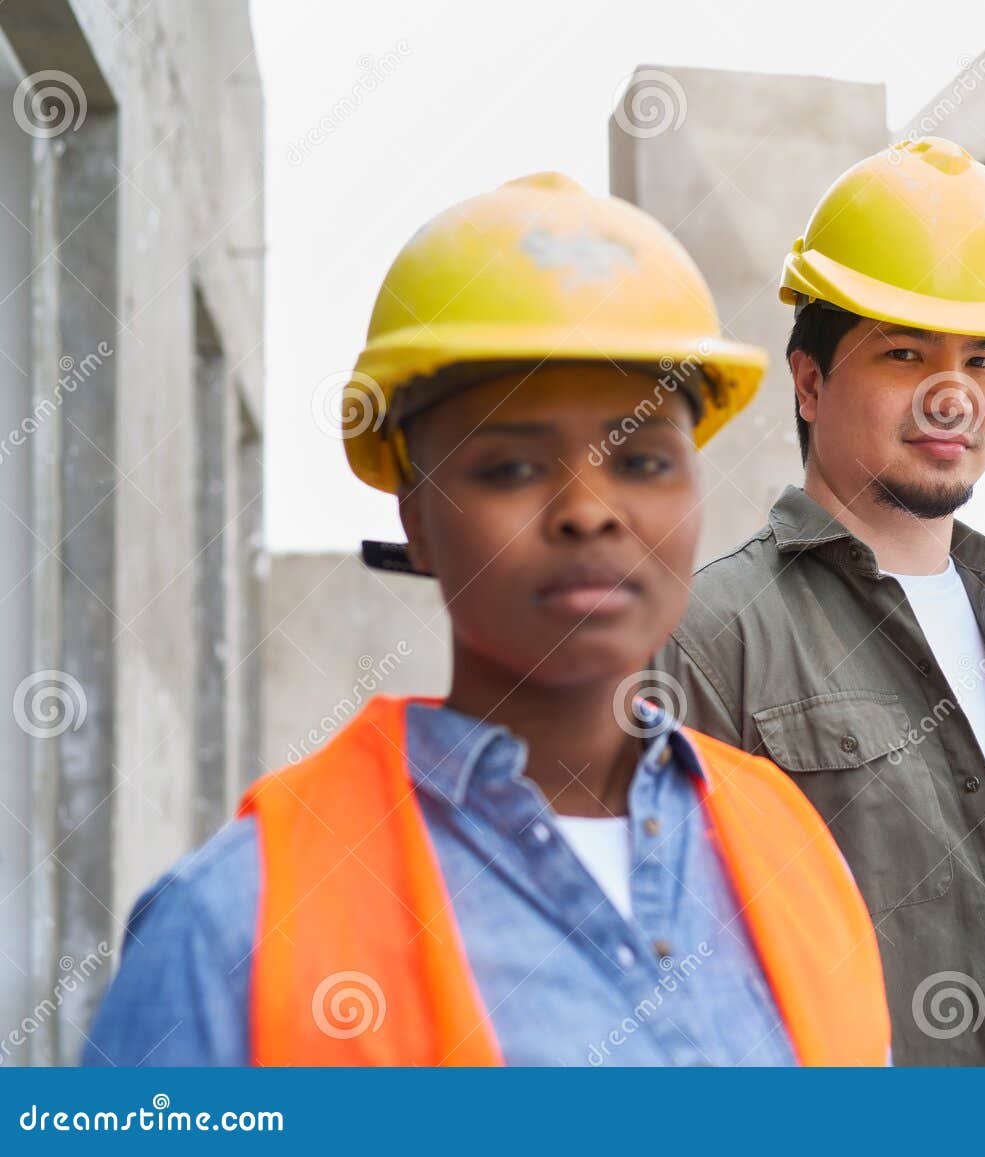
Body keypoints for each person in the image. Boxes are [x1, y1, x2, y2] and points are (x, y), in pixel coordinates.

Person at [84, 173, 889, 1067]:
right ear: (415, 519)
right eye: (509, 467)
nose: (590, 511)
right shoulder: (231, 927)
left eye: (645, 460)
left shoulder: (794, 851)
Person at [655, 137, 985, 1067]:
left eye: (984, 360)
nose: (952, 395)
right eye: (903, 352)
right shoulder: (706, 639)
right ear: (810, 382)